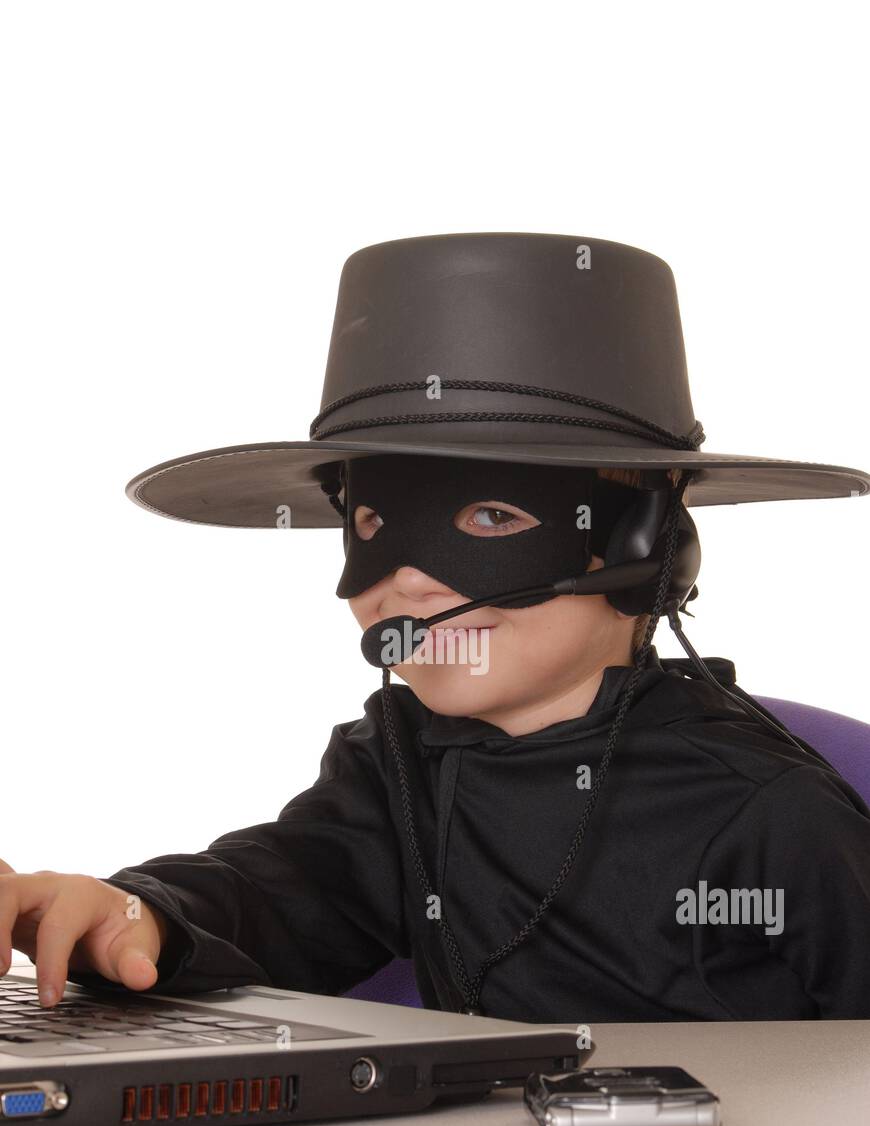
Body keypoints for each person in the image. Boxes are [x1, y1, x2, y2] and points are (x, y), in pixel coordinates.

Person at [3, 233, 870, 1022]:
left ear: (642, 547)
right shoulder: (397, 769)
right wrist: (134, 914)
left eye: (492, 521)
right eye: (376, 529)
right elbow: (286, 888)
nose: (410, 583)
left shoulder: (769, 812)